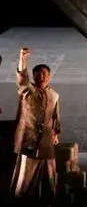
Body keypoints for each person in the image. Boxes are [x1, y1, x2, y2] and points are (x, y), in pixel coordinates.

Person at [10, 48, 61, 205]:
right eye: (37, 75)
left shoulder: (54, 95)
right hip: (29, 138)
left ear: (49, 76)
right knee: (25, 174)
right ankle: (19, 200)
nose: (41, 77)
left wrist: (55, 133)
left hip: (46, 139)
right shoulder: (28, 91)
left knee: (50, 173)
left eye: (44, 74)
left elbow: (56, 116)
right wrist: (23, 59)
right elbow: (22, 79)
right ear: (34, 77)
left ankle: (49, 200)